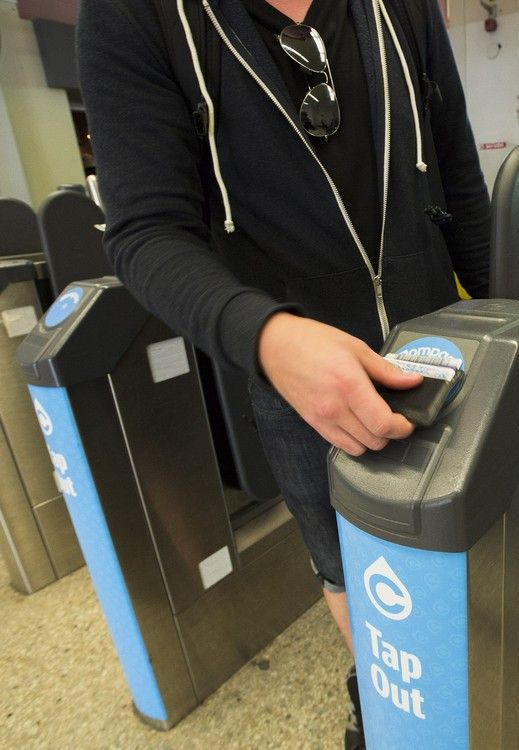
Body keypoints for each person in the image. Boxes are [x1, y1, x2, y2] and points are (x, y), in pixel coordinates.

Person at [76, 0, 490, 748]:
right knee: (345, 568)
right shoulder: (134, 15)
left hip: (442, 359)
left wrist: (509, 326)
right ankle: (386, 707)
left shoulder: (402, 10)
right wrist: (265, 335)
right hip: (296, 379)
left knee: (463, 553)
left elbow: (459, 176)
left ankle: (460, 704)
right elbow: (143, 231)